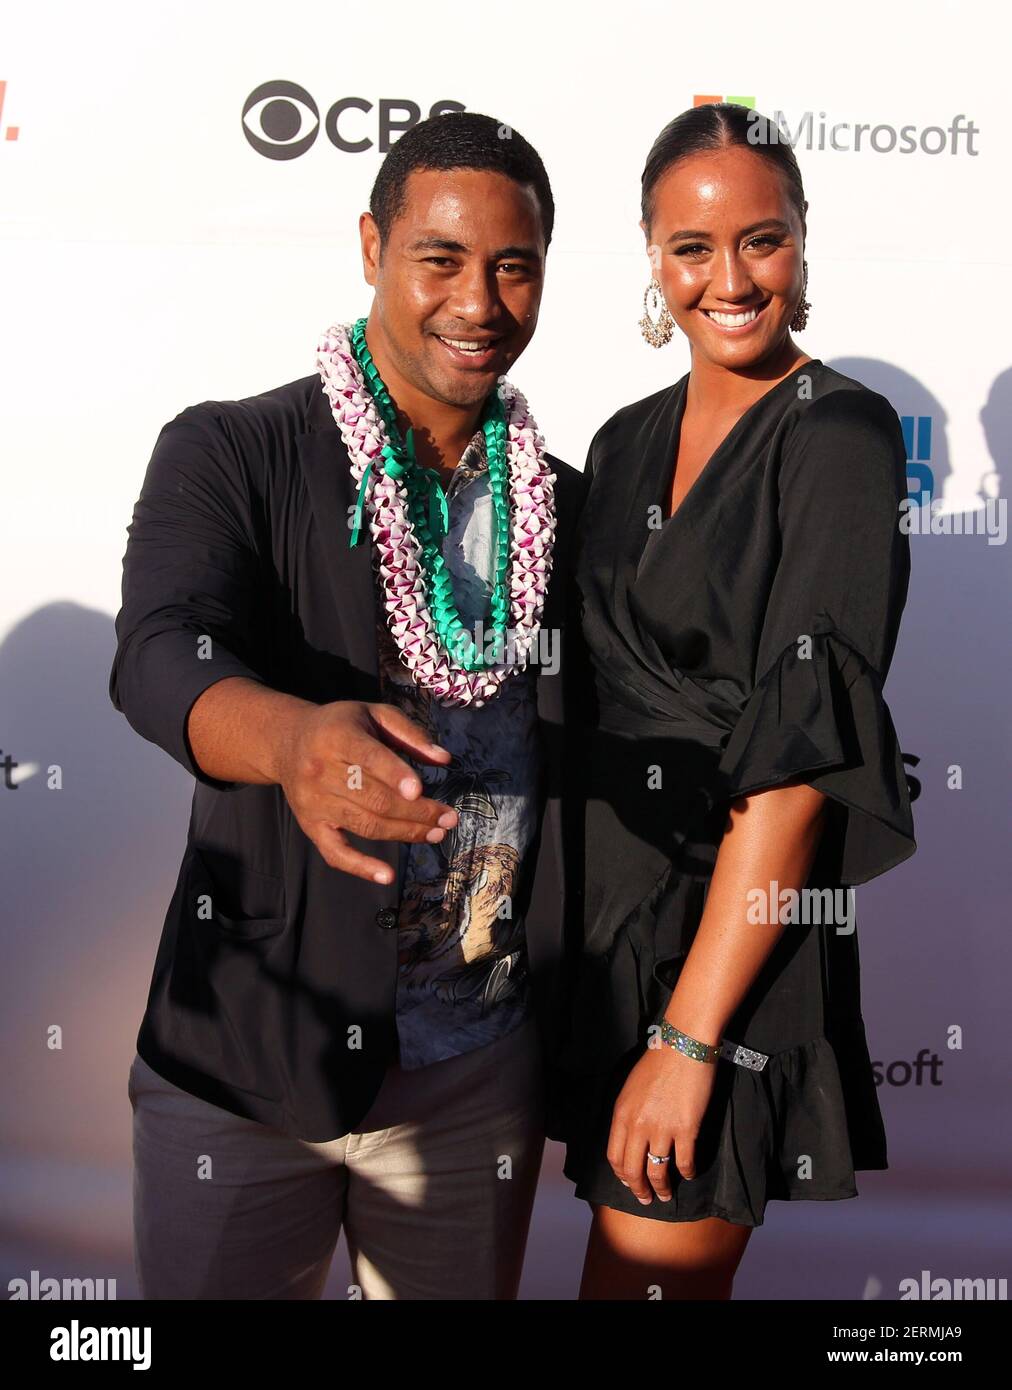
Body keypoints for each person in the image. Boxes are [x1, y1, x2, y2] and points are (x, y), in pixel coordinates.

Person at [109, 110, 587, 1300]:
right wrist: (292, 742)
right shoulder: (235, 449)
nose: (478, 302)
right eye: (440, 258)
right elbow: (160, 652)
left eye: (513, 266)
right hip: (250, 1063)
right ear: (371, 244)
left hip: (478, 1068)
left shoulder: (568, 506)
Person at [556, 102, 916, 1300]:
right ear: (651, 259)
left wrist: (689, 1038)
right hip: (597, 934)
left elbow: (801, 761)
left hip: (724, 947)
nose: (729, 278)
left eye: (759, 240)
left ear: (802, 240)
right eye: (691, 248)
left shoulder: (839, 437)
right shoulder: (619, 443)